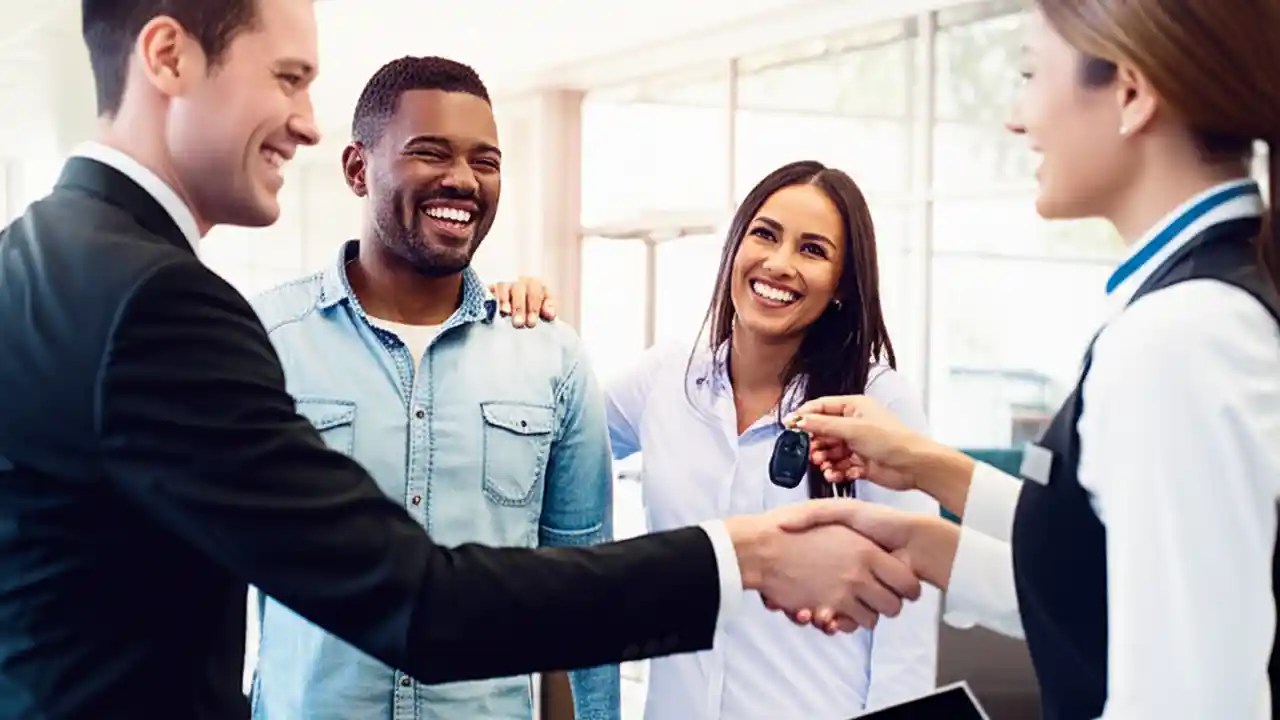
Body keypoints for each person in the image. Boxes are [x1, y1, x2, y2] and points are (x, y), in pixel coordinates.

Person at [0, 1, 928, 718]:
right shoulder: (175, 305)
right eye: (288, 78)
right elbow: (422, 601)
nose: (307, 122)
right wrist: (743, 557)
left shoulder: (35, 257)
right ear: (168, 56)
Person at [780, 2, 1280, 718]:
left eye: (1028, 74)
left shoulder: (1183, 338)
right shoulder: (1201, 304)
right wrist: (924, 519)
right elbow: (1107, 581)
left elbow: (1189, 699)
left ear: (1132, 94)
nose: (1016, 118)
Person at [494, 161, 940, 718]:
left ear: (844, 285)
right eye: (766, 234)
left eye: (812, 250)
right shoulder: (667, 376)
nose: (779, 264)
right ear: (735, 245)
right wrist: (516, 329)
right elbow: (539, 443)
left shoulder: (877, 402)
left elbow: (910, 617)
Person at [247, 57, 617, 720]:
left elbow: (584, 599)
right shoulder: (266, 341)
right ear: (358, 169)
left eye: (486, 160)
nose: (463, 180)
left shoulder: (551, 357)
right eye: (430, 153)